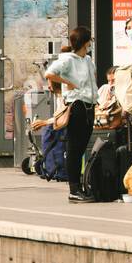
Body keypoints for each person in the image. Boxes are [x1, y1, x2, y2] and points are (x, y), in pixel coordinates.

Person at [44, 26, 98, 203]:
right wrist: (67, 82)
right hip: (77, 106)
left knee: (82, 148)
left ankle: (80, 187)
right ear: (85, 41)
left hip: (90, 106)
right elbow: (49, 73)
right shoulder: (68, 59)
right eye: (89, 40)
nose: (91, 43)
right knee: (74, 149)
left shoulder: (88, 60)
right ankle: (74, 189)